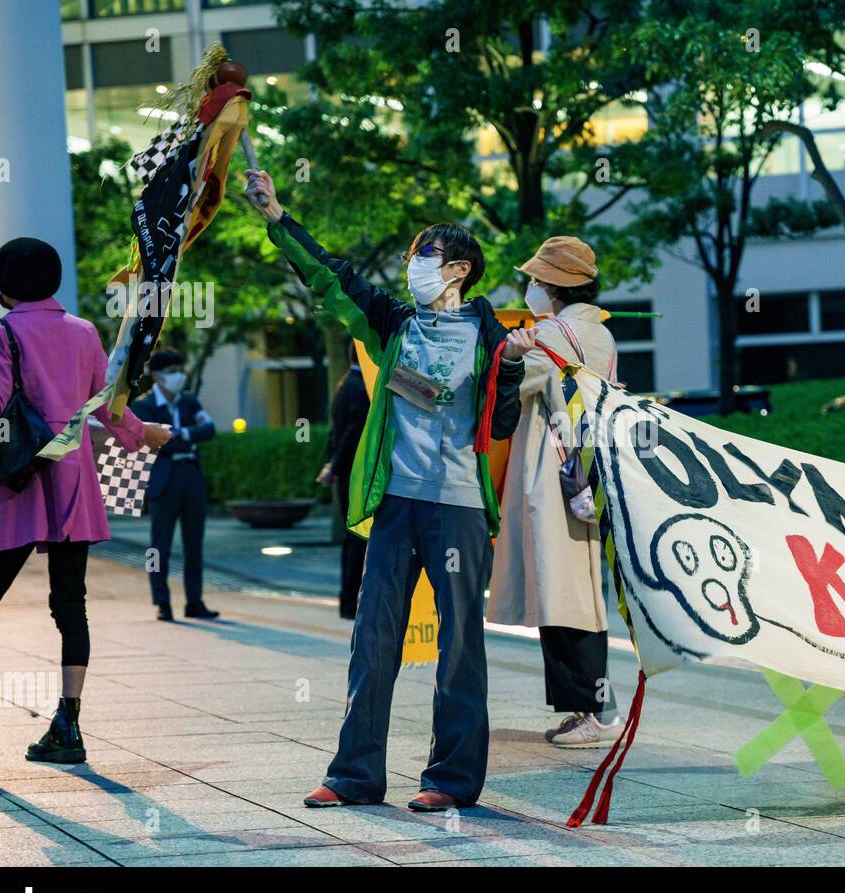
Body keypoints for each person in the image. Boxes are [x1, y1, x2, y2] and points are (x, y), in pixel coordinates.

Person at [245, 167, 536, 812]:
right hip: (397, 502)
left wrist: (512, 367)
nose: (414, 268)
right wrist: (276, 216)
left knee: (460, 646)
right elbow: (332, 278)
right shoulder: (393, 323)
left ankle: (451, 781)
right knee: (373, 639)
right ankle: (354, 775)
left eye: (426, 257)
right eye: (413, 258)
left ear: (459, 269)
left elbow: (500, 424)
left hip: (459, 508)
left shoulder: (491, 338)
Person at [0, 238, 171, 767]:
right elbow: (106, 406)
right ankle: (68, 728)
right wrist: (143, 435)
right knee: (70, 607)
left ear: (2, 285)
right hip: (71, 485)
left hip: (17, 485)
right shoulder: (83, 332)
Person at [486, 237, 626, 748]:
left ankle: (593, 711)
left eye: (538, 282)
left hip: (554, 469)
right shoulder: (599, 334)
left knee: (563, 591)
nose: (531, 288)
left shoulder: (552, 335)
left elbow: (509, 385)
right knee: (580, 589)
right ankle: (588, 708)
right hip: (586, 468)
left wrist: (508, 353)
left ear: (556, 287)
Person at [129, 350, 219, 622]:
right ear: (156, 375)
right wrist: (187, 437)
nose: (177, 375)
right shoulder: (143, 407)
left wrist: (178, 434)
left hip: (191, 475)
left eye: (179, 369)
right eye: (170, 371)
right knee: (160, 545)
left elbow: (210, 429)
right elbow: (154, 441)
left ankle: (195, 601)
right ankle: (162, 602)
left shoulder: (189, 402)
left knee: (195, 544)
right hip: (163, 480)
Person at [317, 340, 371, 620]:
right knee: (359, 539)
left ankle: (347, 601)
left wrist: (331, 465)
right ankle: (351, 601)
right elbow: (351, 433)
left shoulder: (343, 384)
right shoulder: (362, 387)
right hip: (356, 473)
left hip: (344, 473)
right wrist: (336, 465)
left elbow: (334, 432)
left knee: (353, 540)